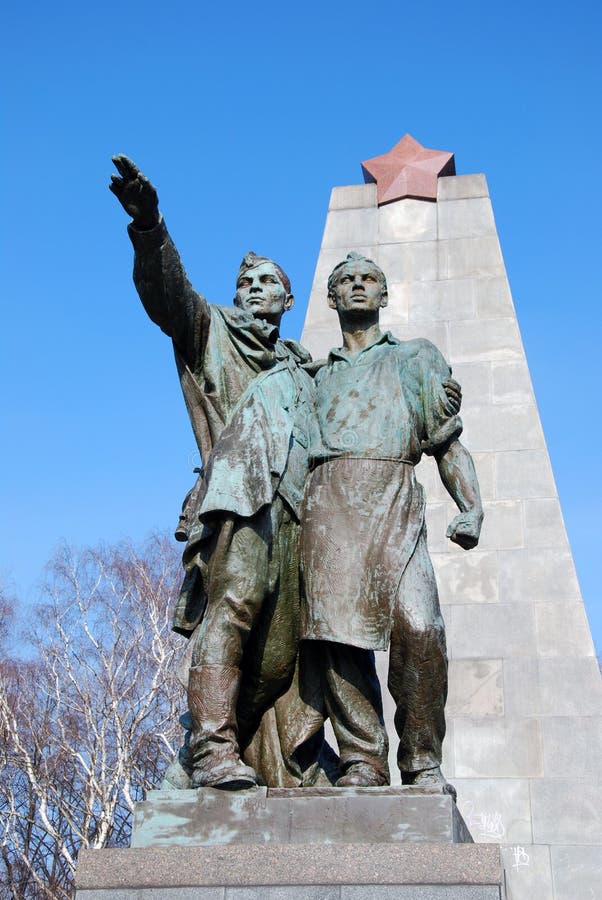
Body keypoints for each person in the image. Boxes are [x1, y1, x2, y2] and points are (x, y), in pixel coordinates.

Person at [110, 155, 322, 790]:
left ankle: (283, 754)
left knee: (286, 648)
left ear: (289, 299)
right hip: (237, 496)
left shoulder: (305, 370)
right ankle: (209, 748)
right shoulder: (212, 333)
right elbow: (166, 295)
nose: (253, 289)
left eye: (266, 281)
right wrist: (150, 226)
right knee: (232, 609)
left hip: (295, 509)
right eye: (245, 281)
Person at [300, 252, 483, 790]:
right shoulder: (313, 376)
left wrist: (471, 507)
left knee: (421, 628)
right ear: (331, 298)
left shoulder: (414, 358)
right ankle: (363, 759)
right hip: (326, 512)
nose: (358, 286)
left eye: (369, 280)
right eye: (346, 282)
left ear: (384, 294)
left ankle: (422, 760)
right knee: (337, 641)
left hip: (394, 503)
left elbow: (447, 443)